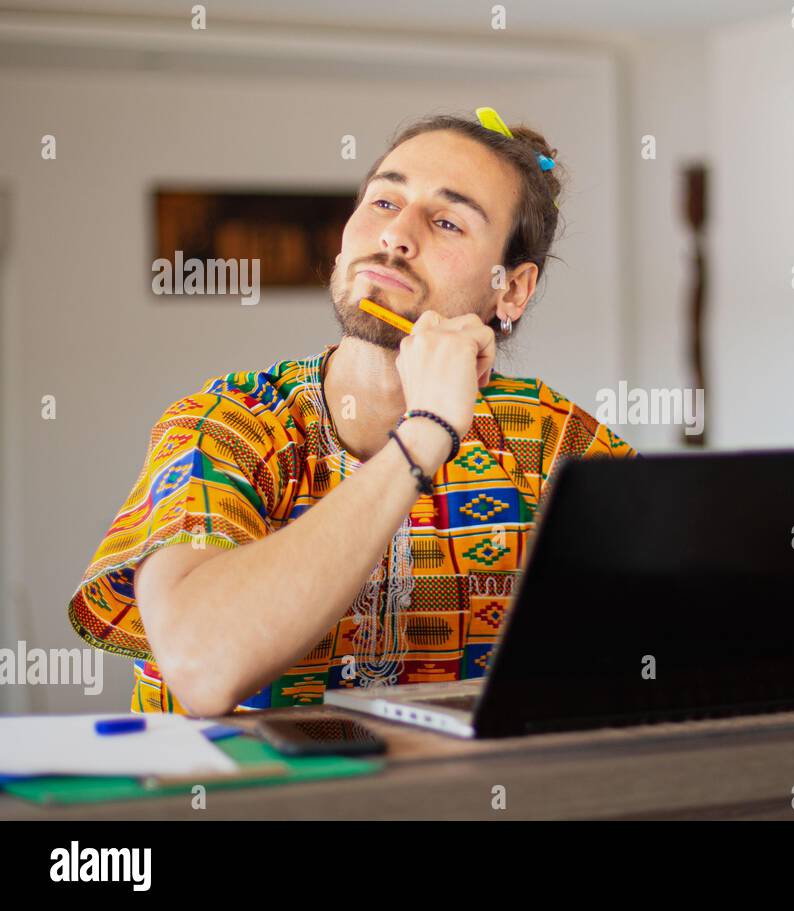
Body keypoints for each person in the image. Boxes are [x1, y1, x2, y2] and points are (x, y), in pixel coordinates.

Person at [67, 109, 636, 716]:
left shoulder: (547, 439)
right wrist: (425, 435)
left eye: (446, 221)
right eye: (384, 202)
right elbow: (202, 668)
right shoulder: (226, 423)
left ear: (513, 289)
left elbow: (687, 637)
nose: (395, 236)